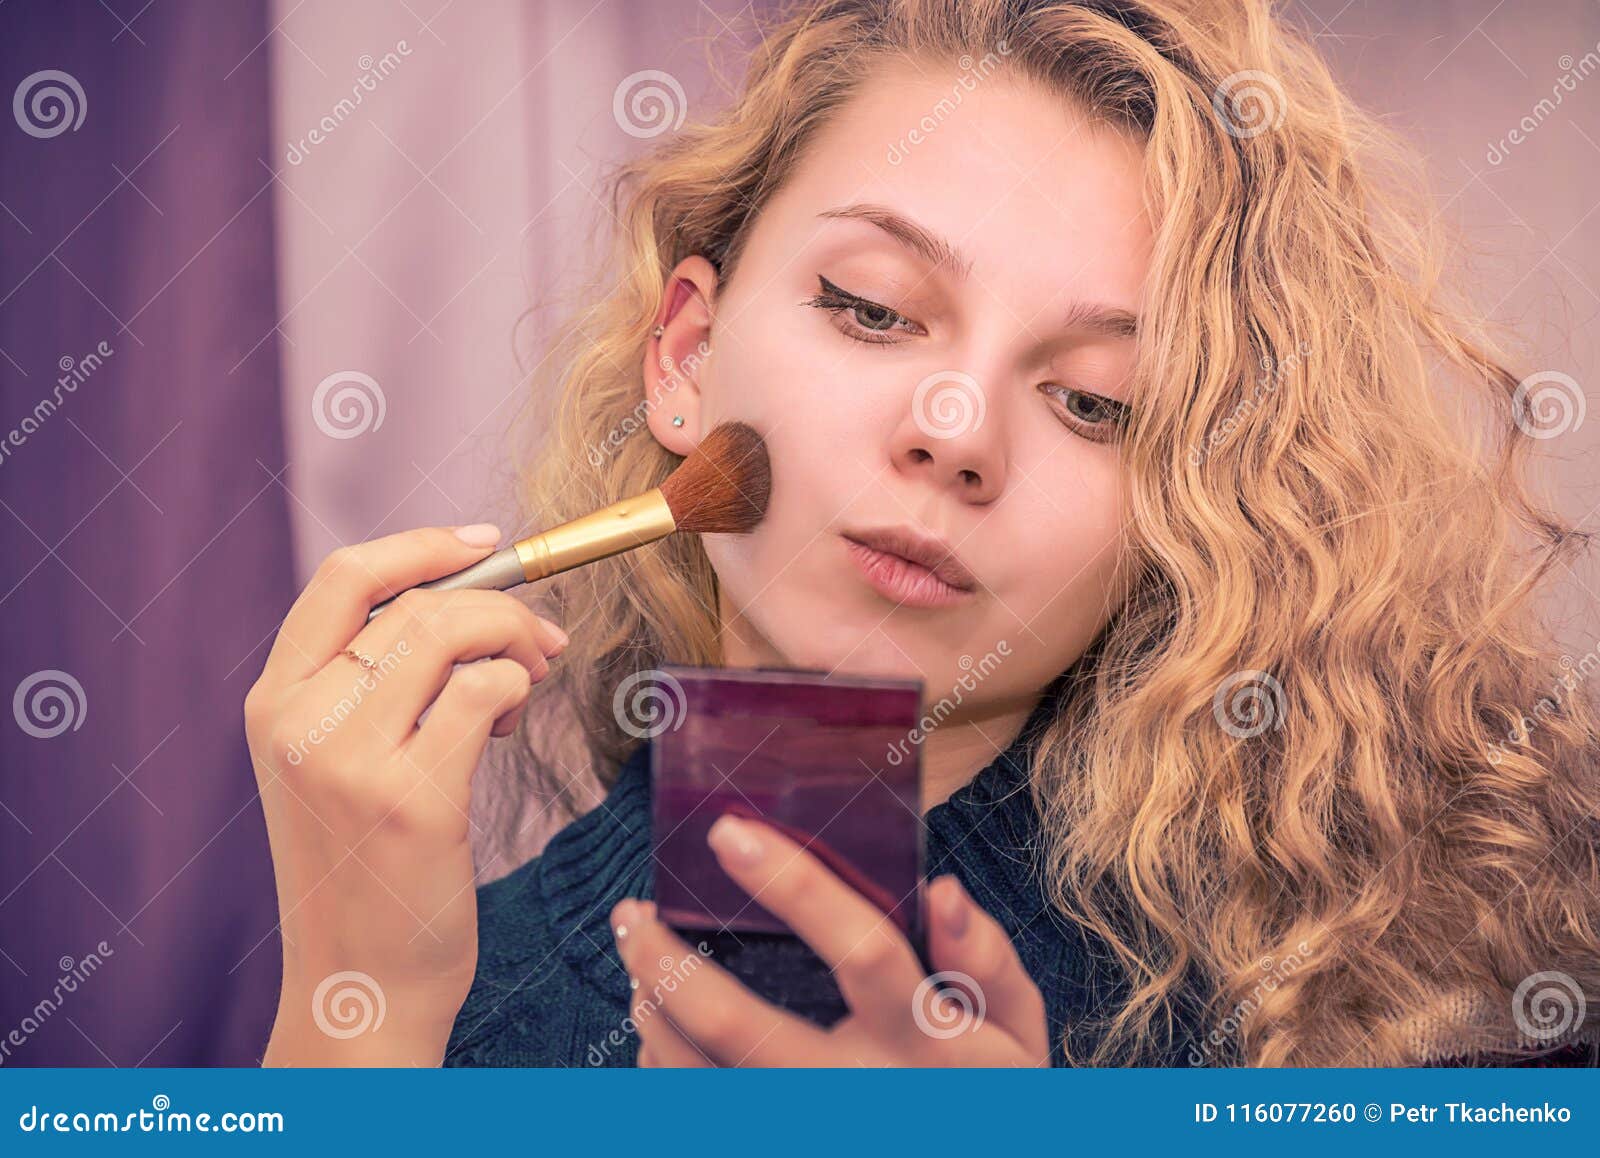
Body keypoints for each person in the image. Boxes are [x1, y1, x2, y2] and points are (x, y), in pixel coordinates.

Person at [245, 0, 1600, 1067]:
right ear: (686, 357)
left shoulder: (1408, 1003)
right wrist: (349, 1012)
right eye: (874, 309)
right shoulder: (443, 1004)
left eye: (1093, 401)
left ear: (1190, 503)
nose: (956, 428)